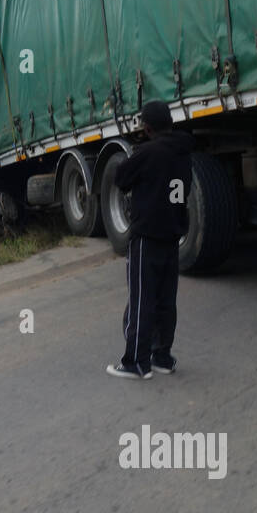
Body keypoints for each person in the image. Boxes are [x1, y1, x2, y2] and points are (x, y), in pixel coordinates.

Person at [106, 99, 194, 380]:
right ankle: (162, 357)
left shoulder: (147, 152)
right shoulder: (183, 151)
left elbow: (120, 179)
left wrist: (133, 153)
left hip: (147, 237)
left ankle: (136, 363)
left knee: (142, 299)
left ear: (146, 126)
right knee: (166, 300)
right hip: (172, 235)